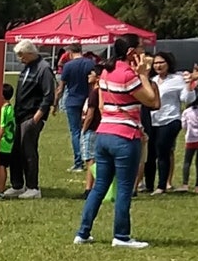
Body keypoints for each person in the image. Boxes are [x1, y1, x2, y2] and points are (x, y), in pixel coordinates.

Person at [73, 36, 159, 247]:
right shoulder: (129, 75)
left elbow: (102, 106)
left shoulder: (107, 72)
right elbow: (153, 101)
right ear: (131, 52)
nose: (144, 52)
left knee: (99, 186)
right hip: (125, 137)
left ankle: (83, 233)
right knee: (124, 188)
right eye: (141, 48)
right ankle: (121, 236)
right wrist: (144, 75)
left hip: (104, 134)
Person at [2, 40, 56, 200]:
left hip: (31, 116)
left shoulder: (43, 69)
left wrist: (37, 117)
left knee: (28, 150)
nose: (19, 58)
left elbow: (48, 95)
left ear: (30, 53)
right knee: (15, 151)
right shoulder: (27, 67)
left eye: (21, 55)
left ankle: (33, 187)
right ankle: (17, 185)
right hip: (19, 115)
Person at [147, 51, 194, 194]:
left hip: (170, 119)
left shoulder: (177, 79)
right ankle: (148, 185)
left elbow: (187, 99)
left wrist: (188, 85)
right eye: (155, 63)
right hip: (153, 120)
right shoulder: (152, 80)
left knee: (163, 151)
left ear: (168, 63)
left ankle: (162, 186)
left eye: (161, 62)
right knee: (149, 154)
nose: (158, 66)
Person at [56, 44, 95, 172]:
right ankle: (89, 157)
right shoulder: (90, 63)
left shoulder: (68, 66)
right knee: (88, 130)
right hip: (88, 100)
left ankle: (78, 162)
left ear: (70, 52)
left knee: (75, 132)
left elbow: (60, 88)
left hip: (72, 101)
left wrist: (55, 103)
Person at [79, 62, 102, 193]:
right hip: (98, 130)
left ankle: (89, 188)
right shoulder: (100, 91)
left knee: (90, 159)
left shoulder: (95, 93)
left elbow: (90, 114)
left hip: (92, 130)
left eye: (91, 74)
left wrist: (84, 129)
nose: (88, 76)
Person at [0, 82, 16, 197]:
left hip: (3, 143)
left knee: (1, 166)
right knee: (2, 165)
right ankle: (0, 188)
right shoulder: (10, 108)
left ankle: (0, 190)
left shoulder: (3, 110)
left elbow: (2, 128)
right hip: (10, 142)